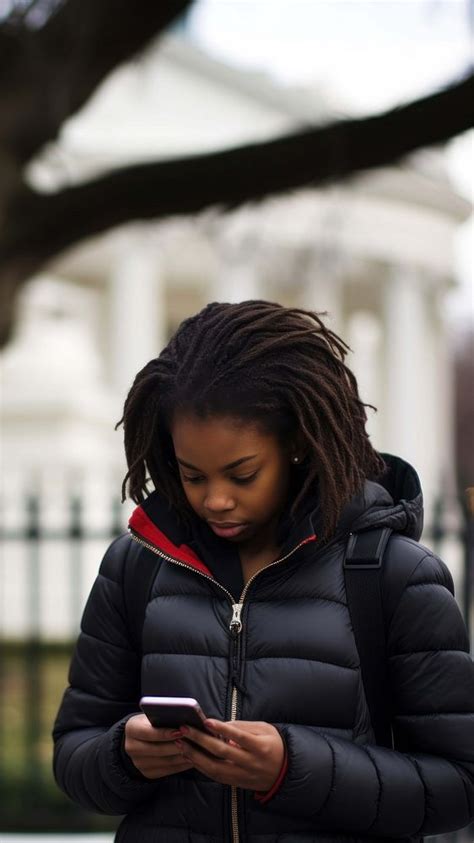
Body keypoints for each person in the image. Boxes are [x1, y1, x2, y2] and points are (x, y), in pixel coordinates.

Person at [53, 300, 474, 843]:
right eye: (192, 475)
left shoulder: (394, 575)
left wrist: (289, 768)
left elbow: (459, 786)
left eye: (242, 473)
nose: (216, 500)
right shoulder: (136, 567)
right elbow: (73, 756)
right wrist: (122, 755)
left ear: (298, 443)